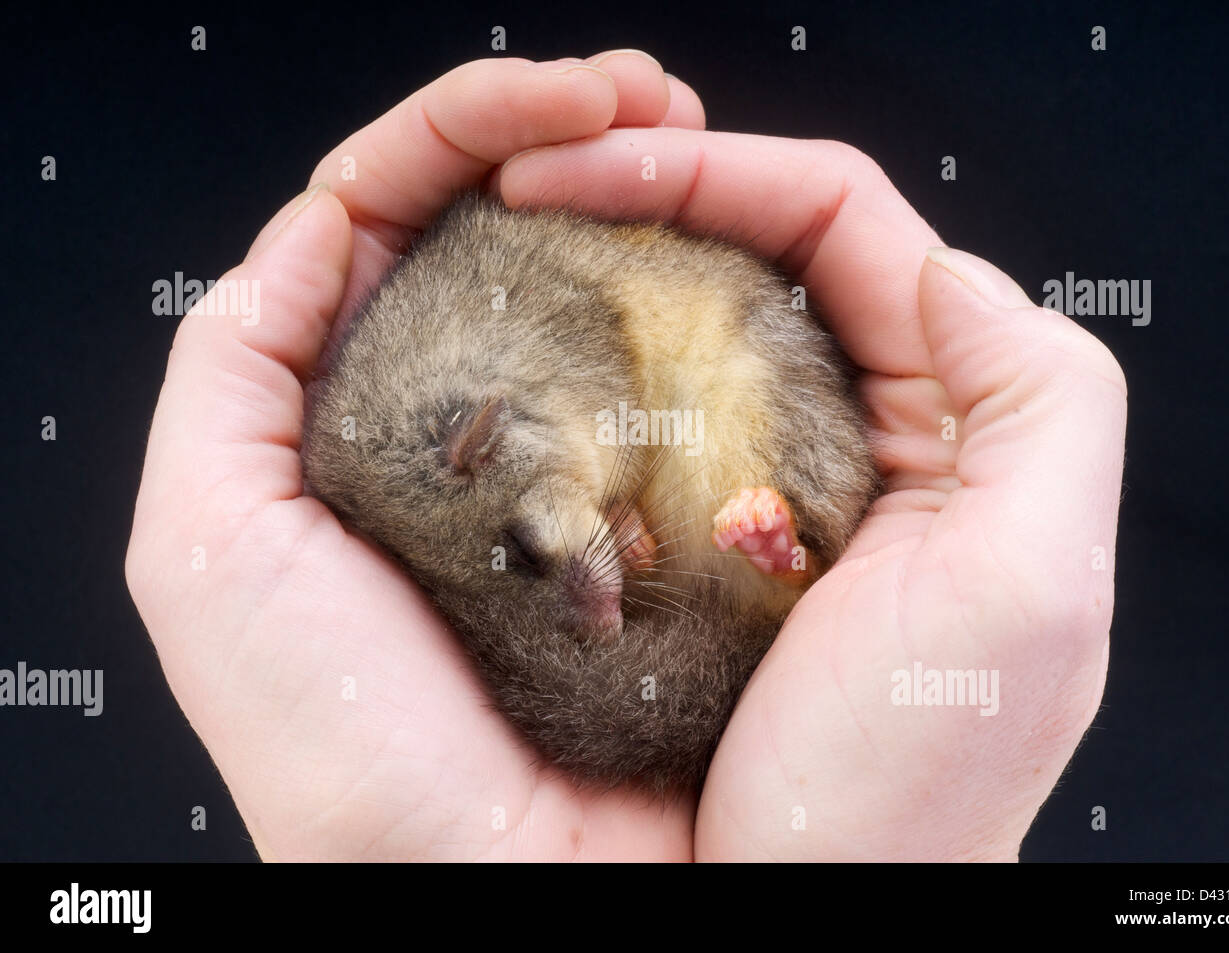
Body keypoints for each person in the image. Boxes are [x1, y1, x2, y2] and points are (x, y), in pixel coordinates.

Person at [125, 50, 1127, 861]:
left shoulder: (507, 332)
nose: (593, 613)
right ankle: (766, 572)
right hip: (644, 501)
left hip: (716, 367)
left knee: (735, 406)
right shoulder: (431, 476)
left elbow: (607, 395)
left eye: (543, 554)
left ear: (483, 435)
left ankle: (785, 572)